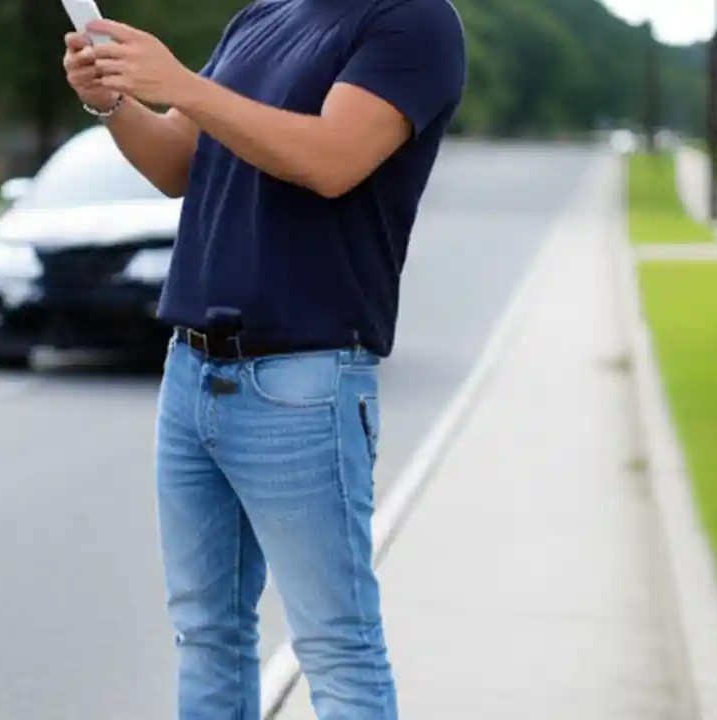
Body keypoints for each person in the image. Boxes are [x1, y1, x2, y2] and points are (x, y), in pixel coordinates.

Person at [63, 1, 465, 717]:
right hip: (192, 373)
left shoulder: (414, 20)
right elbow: (177, 163)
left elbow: (331, 160)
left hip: (303, 380)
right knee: (206, 632)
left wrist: (182, 83)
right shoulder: (261, 18)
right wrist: (116, 103)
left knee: (337, 649)